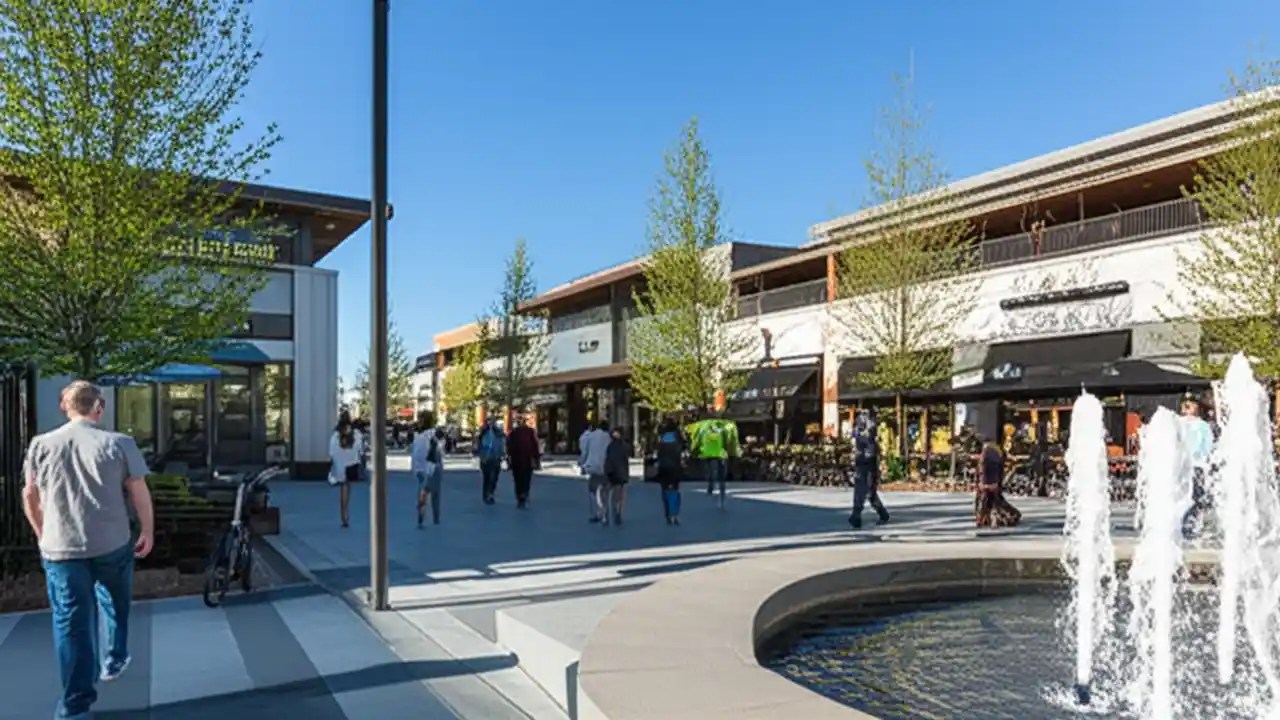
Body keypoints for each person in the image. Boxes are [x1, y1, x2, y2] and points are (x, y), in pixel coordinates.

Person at [22, 381, 155, 720]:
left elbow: (30, 496)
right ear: (99, 408)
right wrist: (148, 530)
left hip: (61, 546)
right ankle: (116, 655)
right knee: (116, 600)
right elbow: (138, 491)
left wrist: (41, 533)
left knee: (71, 622)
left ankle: (75, 704)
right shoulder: (119, 443)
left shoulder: (41, 445)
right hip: (111, 542)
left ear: (65, 408)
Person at [1179, 396, 1214, 538]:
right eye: (1185, 405)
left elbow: (1208, 447)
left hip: (1196, 466)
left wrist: (1207, 463)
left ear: (1197, 408)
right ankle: (1180, 522)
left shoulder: (1203, 426)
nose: (1187, 407)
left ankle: (1191, 523)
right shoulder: (1176, 424)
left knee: (1197, 497)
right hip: (1180, 466)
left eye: (1191, 405)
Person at [688, 414, 740, 509]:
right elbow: (730, 441)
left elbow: (699, 439)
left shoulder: (705, 427)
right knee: (721, 476)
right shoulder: (725, 427)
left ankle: (711, 486)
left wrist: (696, 450)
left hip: (711, 453)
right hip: (721, 453)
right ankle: (720, 492)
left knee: (713, 471)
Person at [849, 412, 890, 529]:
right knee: (862, 492)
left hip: (868, 465)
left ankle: (880, 513)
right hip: (861, 464)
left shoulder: (870, 438)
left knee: (868, 492)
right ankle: (857, 516)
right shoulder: (860, 435)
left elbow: (871, 452)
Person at [976, 438, 1022, 528]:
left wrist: (981, 482)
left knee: (988, 501)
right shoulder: (995, 453)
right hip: (992, 482)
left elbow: (981, 471)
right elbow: (997, 470)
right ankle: (990, 519)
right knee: (993, 501)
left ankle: (987, 519)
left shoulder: (988, 454)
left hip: (987, 482)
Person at [328, 413, 362, 527]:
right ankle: (345, 515)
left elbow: (331, 453)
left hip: (340, 466)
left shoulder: (335, 436)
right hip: (351, 465)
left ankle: (344, 515)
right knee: (347, 488)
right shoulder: (356, 434)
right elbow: (360, 450)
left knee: (343, 488)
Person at [579, 420, 612, 523]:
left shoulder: (591, 436)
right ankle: (605, 512)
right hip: (606, 467)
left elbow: (585, 452)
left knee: (593, 489)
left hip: (593, 466)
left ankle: (598, 511)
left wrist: (582, 465)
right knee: (605, 490)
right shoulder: (609, 438)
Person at [411, 422, 444, 527]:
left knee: (423, 492)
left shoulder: (418, 439)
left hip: (420, 470)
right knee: (435, 494)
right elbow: (437, 455)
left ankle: (420, 515)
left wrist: (415, 469)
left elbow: (414, 455)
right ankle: (436, 518)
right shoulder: (434, 438)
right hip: (433, 469)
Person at [654, 418, 685, 525]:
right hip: (675, 467)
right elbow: (682, 449)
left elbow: (657, 452)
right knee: (675, 490)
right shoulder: (678, 438)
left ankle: (667, 513)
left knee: (665, 490)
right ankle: (675, 514)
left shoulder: (662, 438)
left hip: (663, 467)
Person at [506, 413, 541, 509]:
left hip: (517, 460)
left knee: (519, 480)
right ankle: (524, 494)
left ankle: (520, 496)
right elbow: (535, 446)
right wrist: (537, 459)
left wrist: (509, 459)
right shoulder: (529, 432)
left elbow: (509, 447)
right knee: (525, 479)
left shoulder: (514, 433)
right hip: (526, 460)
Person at [474, 417, 506, 505]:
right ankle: (487, 494)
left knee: (494, 477)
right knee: (488, 477)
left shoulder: (499, 433)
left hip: (495, 458)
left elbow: (502, 444)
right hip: (486, 458)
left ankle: (490, 493)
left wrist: (503, 454)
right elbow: (478, 446)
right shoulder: (483, 434)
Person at [604, 427, 631, 525]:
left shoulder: (610, 446)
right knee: (618, 496)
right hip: (620, 473)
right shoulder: (624, 447)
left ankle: (606, 514)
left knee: (607, 494)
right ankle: (617, 513)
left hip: (611, 473)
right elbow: (625, 461)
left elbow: (608, 460)